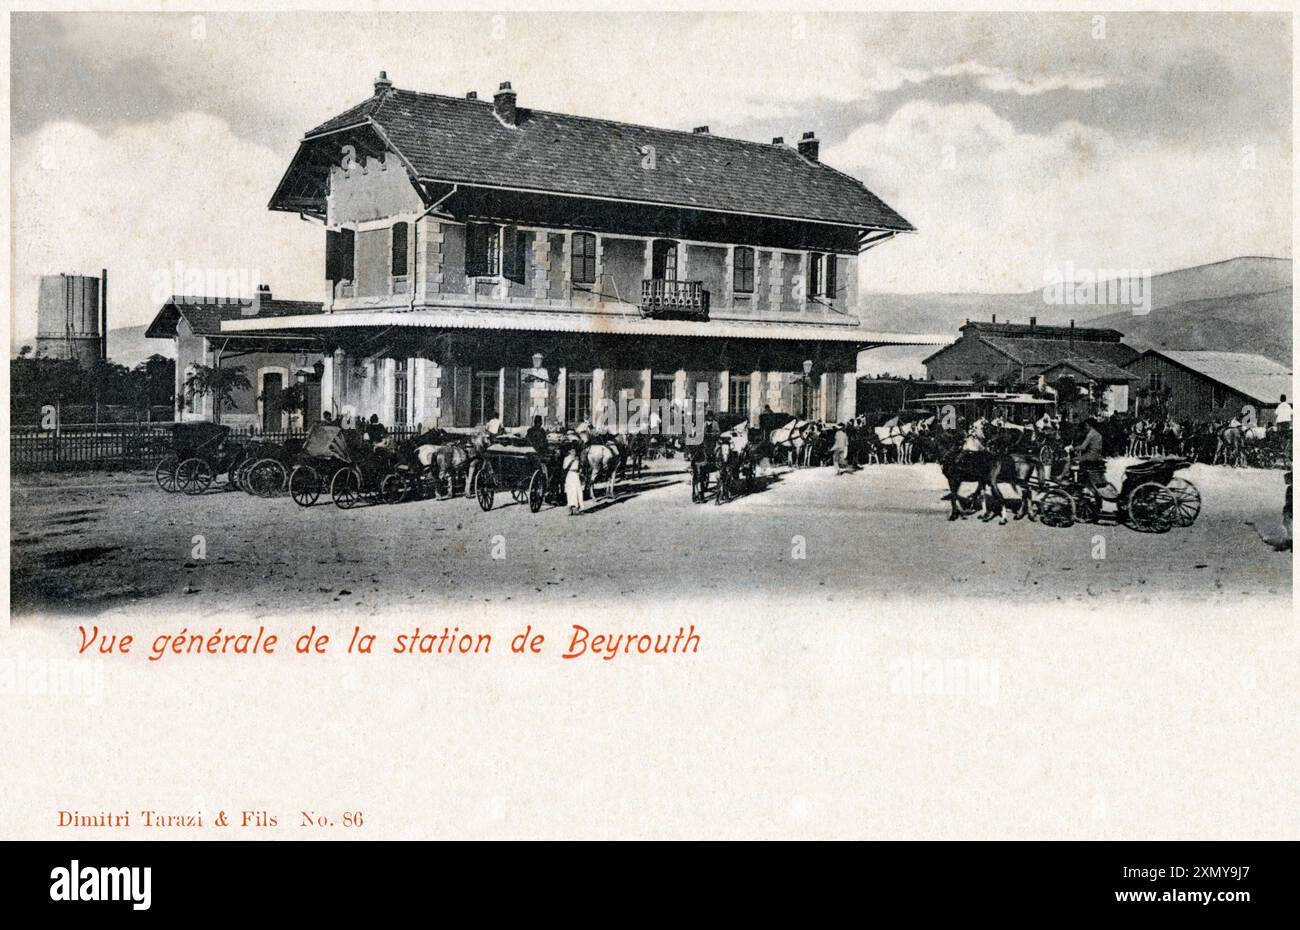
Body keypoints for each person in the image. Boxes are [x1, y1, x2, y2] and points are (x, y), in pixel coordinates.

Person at [562, 442, 584, 515]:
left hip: (576, 475)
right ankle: (571, 507)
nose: (574, 452)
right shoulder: (566, 458)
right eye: (572, 451)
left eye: (574, 451)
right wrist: (571, 461)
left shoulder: (577, 458)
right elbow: (564, 467)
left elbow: (580, 466)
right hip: (570, 474)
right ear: (569, 451)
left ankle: (577, 507)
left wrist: (580, 470)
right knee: (571, 491)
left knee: (578, 490)